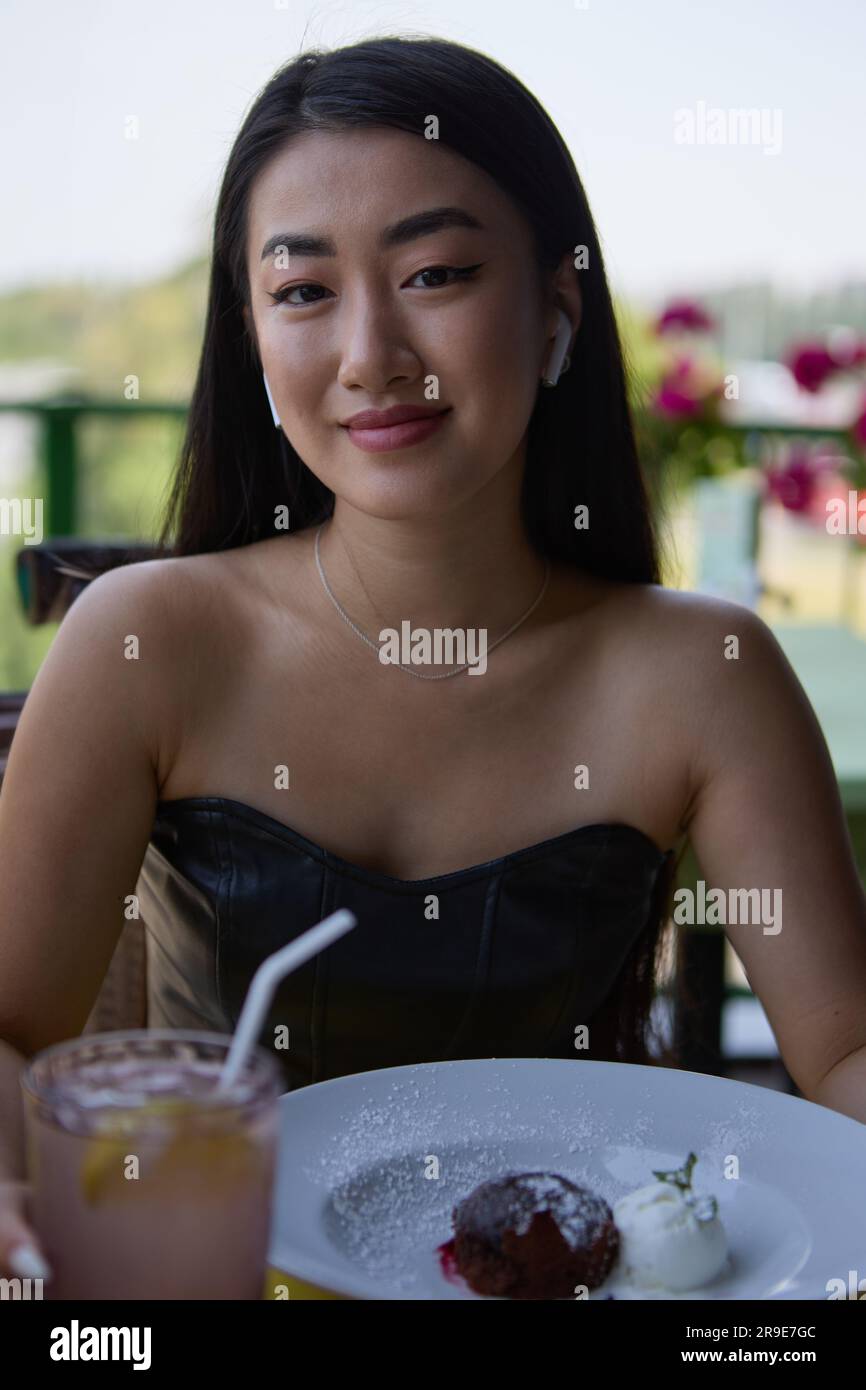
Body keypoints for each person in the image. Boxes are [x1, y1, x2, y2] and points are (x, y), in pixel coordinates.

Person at [2, 34, 865, 1287]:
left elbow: (840, 1056)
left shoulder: (701, 673)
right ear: (251, 335)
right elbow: (15, 1035)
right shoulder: (145, 642)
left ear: (555, 309)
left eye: (436, 272)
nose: (368, 354)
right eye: (301, 291)